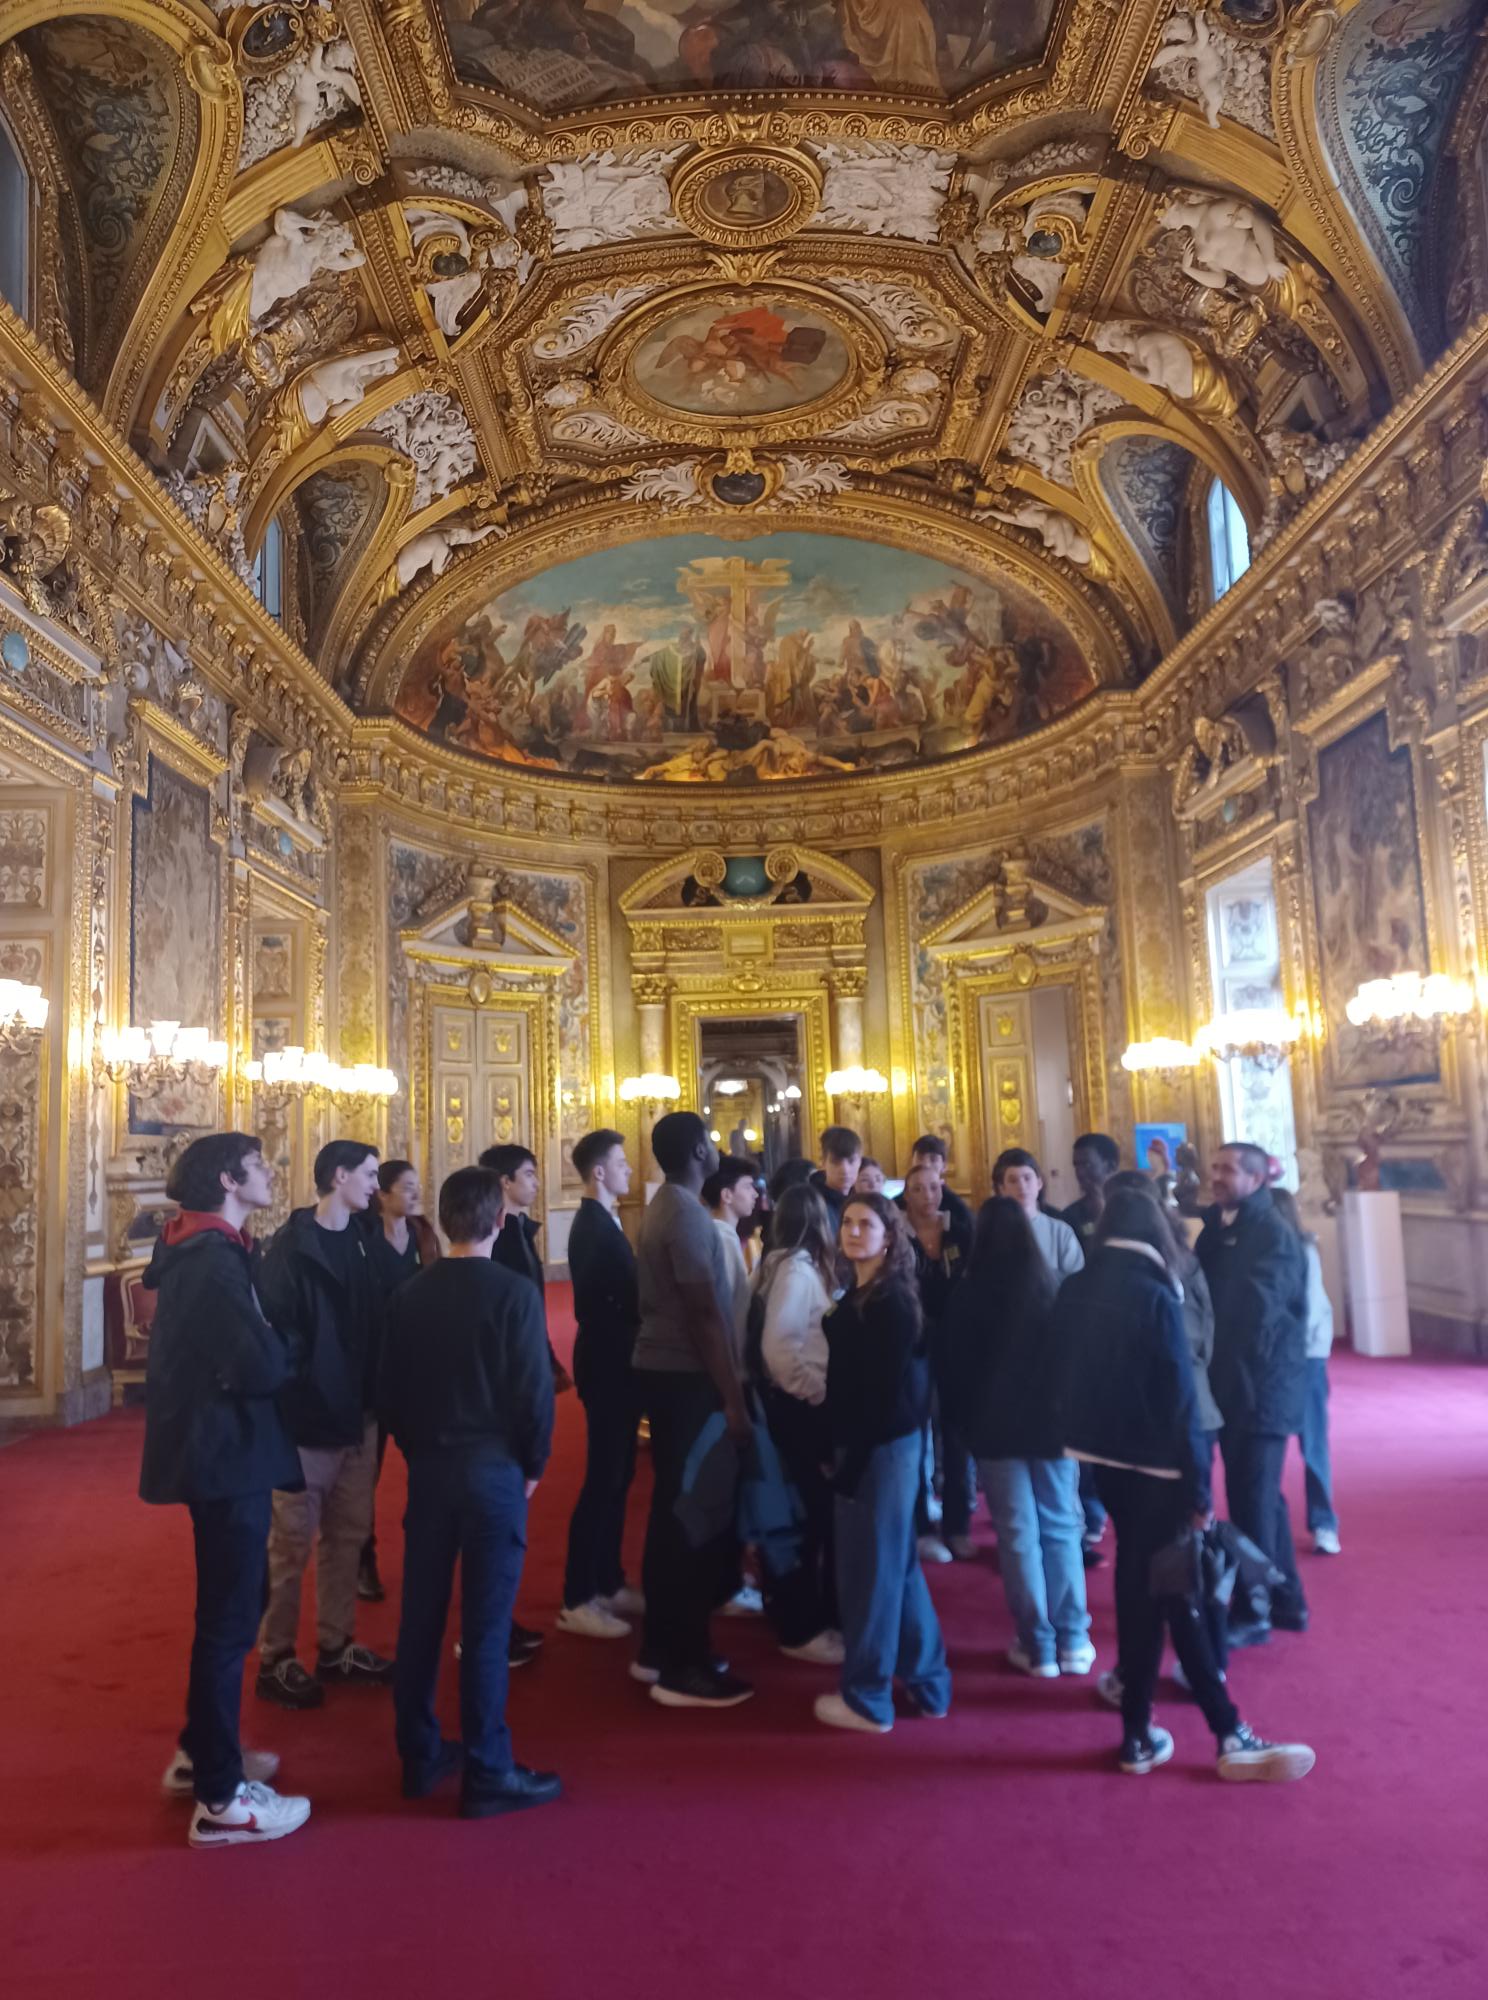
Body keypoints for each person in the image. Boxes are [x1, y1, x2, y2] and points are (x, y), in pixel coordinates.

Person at [1054, 1188, 1315, 1782]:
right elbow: (1181, 1400)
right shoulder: (1154, 1294)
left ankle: (1142, 1732)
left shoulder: (1077, 1287)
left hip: (1104, 1463)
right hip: (1163, 1469)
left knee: (1143, 1591)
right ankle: (1228, 1733)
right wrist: (1199, 1486)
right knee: (1179, 1595)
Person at [140, 1132, 312, 1848]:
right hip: (225, 1453)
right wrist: (288, 1346)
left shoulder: (203, 1246)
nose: (271, 1174)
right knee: (230, 1621)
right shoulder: (211, 1259)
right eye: (259, 1167)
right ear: (226, 1179)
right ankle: (220, 1800)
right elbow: (259, 1361)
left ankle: (199, 1753)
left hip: (218, 1448)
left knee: (227, 1613)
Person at [379, 1166, 560, 1818]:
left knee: (420, 1619)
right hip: (493, 1471)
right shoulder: (513, 1295)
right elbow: (533, 1393)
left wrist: (417, 1447)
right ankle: (488, 1771)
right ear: (499, 1219)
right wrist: (533, 1462)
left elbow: (389, 1392)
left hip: (429, 1470)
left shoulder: (409, 1294)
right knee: (485, 1630)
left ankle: (419, 1755)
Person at [256, 1139, 394, 1708]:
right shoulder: (289, 1248)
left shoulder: (364, 1241)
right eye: (368, 1174)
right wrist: (307, 1390)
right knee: (290, 1547)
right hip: (308, 1422)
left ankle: (337, 1647)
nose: (375, 1184)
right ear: (339, 1177)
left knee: (348, 1536)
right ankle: (276, 1658)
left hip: (360, 1417)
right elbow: (277, 1337)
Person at [632, 1111, 756, 1708]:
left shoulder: (666, 1205)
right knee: (690, 1517)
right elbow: (705, 1311)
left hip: (672, 1370)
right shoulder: (682, 1213)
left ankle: (660, 1645)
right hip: (687, 1376)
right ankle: (684, 1664)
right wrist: (732, 1396)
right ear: (702, 1150)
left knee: (671, 1514)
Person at [817, 1191, 950, 1733]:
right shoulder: (864, 1292)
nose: (852, 1232)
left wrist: (848, 1465)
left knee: (871, 1572)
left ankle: (869, 1696)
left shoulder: (891, 1302)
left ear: (889, 1235)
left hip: (882, 1448)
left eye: (865, 1224)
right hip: (878, 1446)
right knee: (896, 1567)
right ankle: (928, 1681)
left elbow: (878, 1396)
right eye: (847, 1222)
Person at [1091, 1176, 1224, 1710]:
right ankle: (1151, 1675)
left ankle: (1202, 1670)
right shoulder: (1164, 1268)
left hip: (1177, 1423)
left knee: (1182, 1558)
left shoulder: (1171, 1270)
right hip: (1162, 1425)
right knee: (1159, 1559)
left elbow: (1195, 1343)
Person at [949, 1197, 1091, 1677]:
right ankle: (1073, 1637)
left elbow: (955, 1375)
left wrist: (963, 1428)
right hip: (1050, 1426)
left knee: (1017, 1533)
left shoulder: (968, 1294)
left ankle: (1038, 1643)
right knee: (1061, 1526)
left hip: (995, 1428)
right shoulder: (1049, 1288)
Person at [1196, 1144, 1309, 1645]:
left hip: (1260, 1390)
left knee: (1251, 1505)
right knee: (1264, 1501)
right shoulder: (1223, 1229)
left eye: (1227, 1170)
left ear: (1258, 1179)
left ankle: (1254, 1609)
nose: (1216, 1176)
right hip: (1235, 1386)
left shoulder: (1272, 1235)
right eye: (1215, 1167)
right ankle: (1287, 1601)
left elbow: (1254, 1316)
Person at [479, 1140, 566, 1664]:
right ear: (505, 1184)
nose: (537, 1183)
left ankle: (497, 1624)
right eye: (530, 1175)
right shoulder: (503, 1242)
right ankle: (490, 1632)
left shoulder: (516, 1235)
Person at [557, 1129, 643, 1639]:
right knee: (602, 1481)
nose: (629, 1167)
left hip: (619, 1362)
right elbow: (600, 1303)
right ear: (599, 1173)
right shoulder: (591, 1225)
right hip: (609, 1365)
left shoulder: (604, 1220)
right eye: (621, 1161)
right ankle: (577, 1595)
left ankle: (607, 1581)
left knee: (619, 1476)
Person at [751, 1182, 842, 1664]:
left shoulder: (776, 1265)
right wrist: (816, 1391)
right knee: (808, 1517)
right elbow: (779, 1349)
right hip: (799, 1406)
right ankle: (801, 1623)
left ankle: (791, 1609)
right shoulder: (796, 1272)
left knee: (797, 1512)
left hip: (787, 1404)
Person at [994, 1146, 1096, 1557]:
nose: (1021, 1186)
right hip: (1008, 1357)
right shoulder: (994, 1236)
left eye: (1026, 1178)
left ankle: (1074, 1534)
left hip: (1053, 1351)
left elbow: (1077, 1286)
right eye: (1012, 1180)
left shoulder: (1059, 1231)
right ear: (1000, 1189)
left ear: (1039, 1183)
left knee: (1060, 1466)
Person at [356, 1159, 440, 1603]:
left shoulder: (424, 1235)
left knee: (427, 1468)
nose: (415, 1194)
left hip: (416, 1372)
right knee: (366, 1474)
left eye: (417, 1187)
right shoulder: (363, 1238)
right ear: (382, 1194)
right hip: (372, 1372)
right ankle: (361, 1558)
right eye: (406, 1188)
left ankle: (429, 1553)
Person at [902, 1161, 975, 1563]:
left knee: (956, 1432)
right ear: (907, 1194)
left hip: (954, 1338)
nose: (928, 1196)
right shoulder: (896, 1235)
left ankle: (958, 1522)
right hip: (912, 1339)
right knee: (916, 1430)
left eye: (934, 1188)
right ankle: (919, 1524)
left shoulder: (960, 1231)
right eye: (919, 1189)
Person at [1270, 1186, 1342, 1557]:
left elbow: (1311, 1309)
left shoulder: (1304, 1251)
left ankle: (1324, 1522)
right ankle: (1270, 1522)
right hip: (1272, 1356)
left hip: (1305, 1355)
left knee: (1312, 1442)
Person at [702, 1154, 760, 1358]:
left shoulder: (719, 1234)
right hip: (728, 1357)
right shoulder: (722, 1238)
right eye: (747, 1186)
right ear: (726, 1195)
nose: (755, 1194)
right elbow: (720, 1306)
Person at [895, 1134, 973, 1233]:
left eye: (933, 1159)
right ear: (912, 1162)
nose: (926, 1164)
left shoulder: (957, 1208)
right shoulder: (895, 1206)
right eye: (920, 1158)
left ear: (944, 1166)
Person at [1060, 1133, 1120, 1243]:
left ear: (1111, 1166)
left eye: (1087, 1164)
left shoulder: (1135, 1209)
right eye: (1076, 1166)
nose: (1080, 1173)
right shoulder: (1070, 1216)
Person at [810, 1125, 862, 1233]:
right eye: (835, 1162)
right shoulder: (812, 1205)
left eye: (851, 1161)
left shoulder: (862, 1201)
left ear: (860, 1162)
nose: (845, 1170)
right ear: (823, 1163)